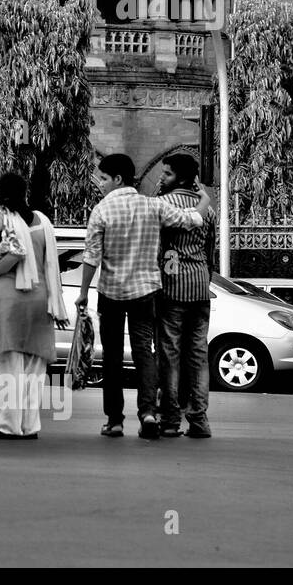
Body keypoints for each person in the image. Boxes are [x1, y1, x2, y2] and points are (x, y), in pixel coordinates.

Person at [76, 153, 213, 440]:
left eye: (102, 178)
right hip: (148, 292)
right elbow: (194, 220)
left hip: (112, 292)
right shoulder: (152, 206)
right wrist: (204, 199)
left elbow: (91, 256)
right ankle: (149, 413)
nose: (99, 184)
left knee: (113, 357)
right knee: (145, 354)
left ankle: (115, 421)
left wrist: (83, 294)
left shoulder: (101, 211)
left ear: (117, 179)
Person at [0, 173, 69, 441]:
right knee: (33, 370)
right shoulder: (42, 221)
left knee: (5, 366)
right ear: (24, 192)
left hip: (8, 302)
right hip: (40, 301)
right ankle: (29, 426)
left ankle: (7, 426)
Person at [155, 154, 215, 440]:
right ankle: (199, 419)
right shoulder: (208, 211)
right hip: (201, 286)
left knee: (170, 355)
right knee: (198, 357)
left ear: (179, 178)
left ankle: (169, 418)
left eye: (166, 174)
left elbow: (158, 248)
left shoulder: (163, 206)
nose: (161, 178)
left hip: (171, 287)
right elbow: (210, 251)